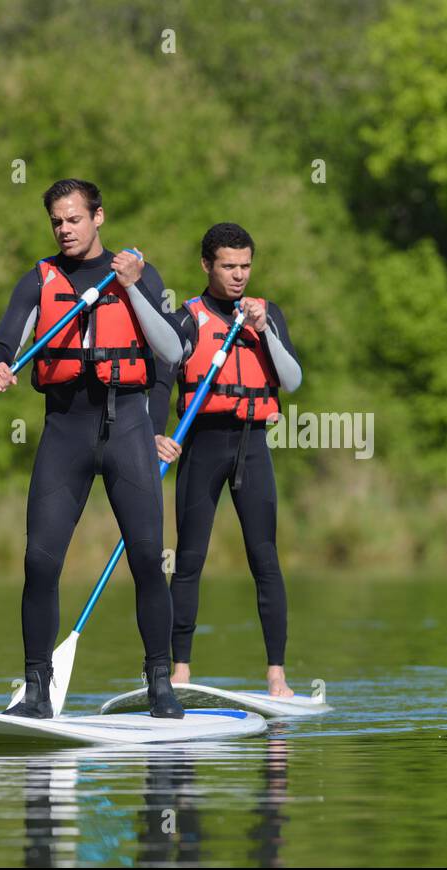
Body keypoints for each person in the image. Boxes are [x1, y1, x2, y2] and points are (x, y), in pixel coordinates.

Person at [0, 178, 190, 719]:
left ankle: (160, 686)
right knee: (39, 563)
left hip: (129, 433)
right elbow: (4, 340)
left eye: (74, 219)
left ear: (99, 217)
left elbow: (171, 349)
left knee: (148, 560)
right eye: (57, 221)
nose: (65, 229)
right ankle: (35, 692)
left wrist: (137, 289)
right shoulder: (40, 279)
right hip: (64, 432)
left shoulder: (137, 275)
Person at [148, 223, 303, 697]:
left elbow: (292, 380)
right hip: (202, 445)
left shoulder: (267, 314)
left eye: (245, 266)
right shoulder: (186, 320)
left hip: (253, 445)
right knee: (189, 559)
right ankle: (179, 671)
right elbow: (159, 381)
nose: (239, 276)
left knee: (265, 560)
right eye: (229, 266)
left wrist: (264, 333)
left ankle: (276, 674)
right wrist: (157, 434)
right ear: (207, 266)